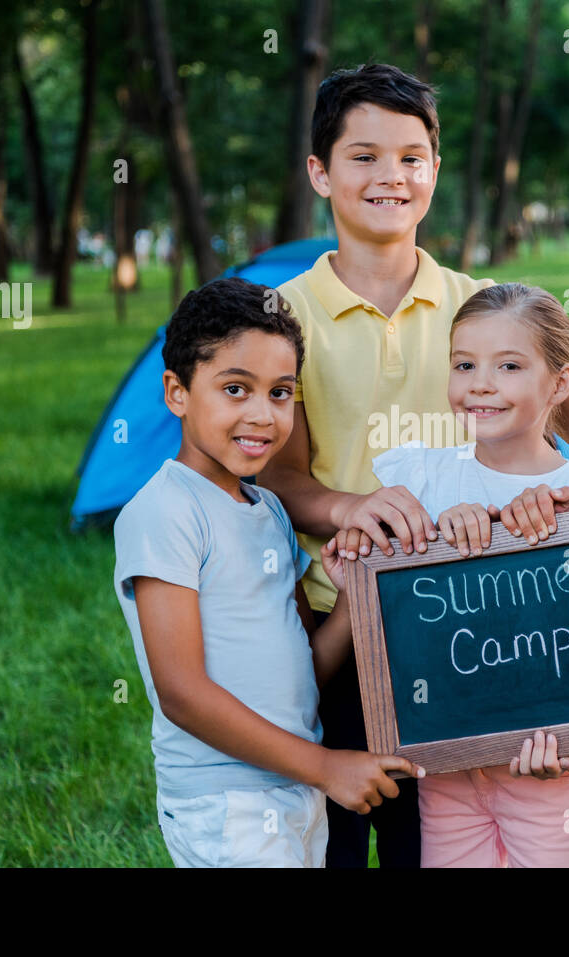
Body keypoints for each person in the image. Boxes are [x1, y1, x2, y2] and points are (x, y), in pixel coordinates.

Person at [258, 61, 569, 870]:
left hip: (481, 632)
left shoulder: (483, 306)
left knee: (426, 846)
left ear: (435, 170)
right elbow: (281, 476)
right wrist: (352, 509)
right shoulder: (285, 317)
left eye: (411, 156)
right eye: (363, 156)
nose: (390, 176)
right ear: (320, 172)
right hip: (347, 627)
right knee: (331, 841)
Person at [112, 278, 421, 869]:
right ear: (176, 392)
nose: (262, 415)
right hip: (227, 803)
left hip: (294, 789)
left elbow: (305, 660)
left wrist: (357, 600)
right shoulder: (163, 512)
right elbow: (181, 692)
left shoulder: (271, 510)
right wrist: (328, 766)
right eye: (235, 389)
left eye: (281, 394)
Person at [356, 282, 569, 867]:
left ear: (560, 384)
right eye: (464, 364)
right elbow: (376, 594)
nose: (481, 383)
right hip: (444, 766)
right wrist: (435, 537)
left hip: (548, 771)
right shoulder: (423, 479)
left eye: (510, 366)